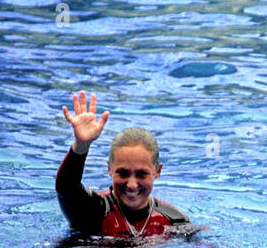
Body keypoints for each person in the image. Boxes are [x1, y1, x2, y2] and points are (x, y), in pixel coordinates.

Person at [55, 91, 191, 239]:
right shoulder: (94, 210)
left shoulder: (174, 220)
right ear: (110, 169)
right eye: (123, 173)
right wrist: (81, 146)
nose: (132, 185)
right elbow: (66, 187)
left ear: (157, 171)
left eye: (141, 174)